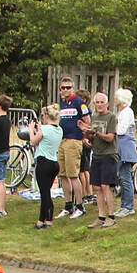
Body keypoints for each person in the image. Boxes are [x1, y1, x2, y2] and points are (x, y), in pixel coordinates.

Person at [56, 78, 90, 218]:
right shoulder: (63, 104)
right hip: (62, 140)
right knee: (63, 174)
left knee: (73, 174)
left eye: (68, 87)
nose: (65, 90)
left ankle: (80, 205)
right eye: (63, 87)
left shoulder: (79, 103)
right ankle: (68, 204)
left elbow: (87, 120)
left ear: (73, 88)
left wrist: (83, 136)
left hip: (74, 140)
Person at [84, 92, 119, 227]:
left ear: (107, 104)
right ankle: (100, 216)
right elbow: (92, 137)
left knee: (105, 186)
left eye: (101, 102)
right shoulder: (93, 117)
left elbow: (110, 137)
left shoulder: (111, 117)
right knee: (97, 187)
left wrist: (96, 132)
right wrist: (88, 139)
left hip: (109, 155)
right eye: (96, 102)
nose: (99, 105)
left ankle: (111, 216)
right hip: (96, 155)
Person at [28, 104, 62, 229]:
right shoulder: (59, 129)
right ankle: (46, 219)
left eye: (43, 115)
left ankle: (44, 219)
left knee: (44, 193)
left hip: (44, 162)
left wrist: (31, 129)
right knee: (47, 191)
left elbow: (33, 141)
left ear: (46, 116)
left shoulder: (45, 129)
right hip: (54, 162)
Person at [113, 88, 137, 217]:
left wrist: (111, 128)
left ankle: (128, 206)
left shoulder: (126, 112)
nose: (115, 100)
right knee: (122, 178)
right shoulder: (122, 112)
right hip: (121, 146)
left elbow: (121, 130)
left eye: (116, 97)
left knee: (125, 177)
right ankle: (124, 205)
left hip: (125, 147)